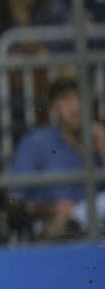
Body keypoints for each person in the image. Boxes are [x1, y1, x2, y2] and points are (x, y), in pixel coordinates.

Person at [10, 76, 105, 239]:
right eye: (65, 99)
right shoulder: (36, 142)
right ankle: (73, 221)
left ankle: (76, 219)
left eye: (80, 97)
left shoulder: (100, 136)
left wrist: (102, 142)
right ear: (54, 107)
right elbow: (14, 202)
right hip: (52, 229)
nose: (75, 105)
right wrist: (52, 209)